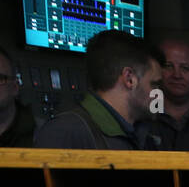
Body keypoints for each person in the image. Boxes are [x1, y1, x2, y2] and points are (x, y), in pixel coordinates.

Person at [34, 30, 162, 150]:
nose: (160, 94)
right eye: (154, 85)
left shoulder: (144, 136)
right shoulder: (64, 132)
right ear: (129, 79)